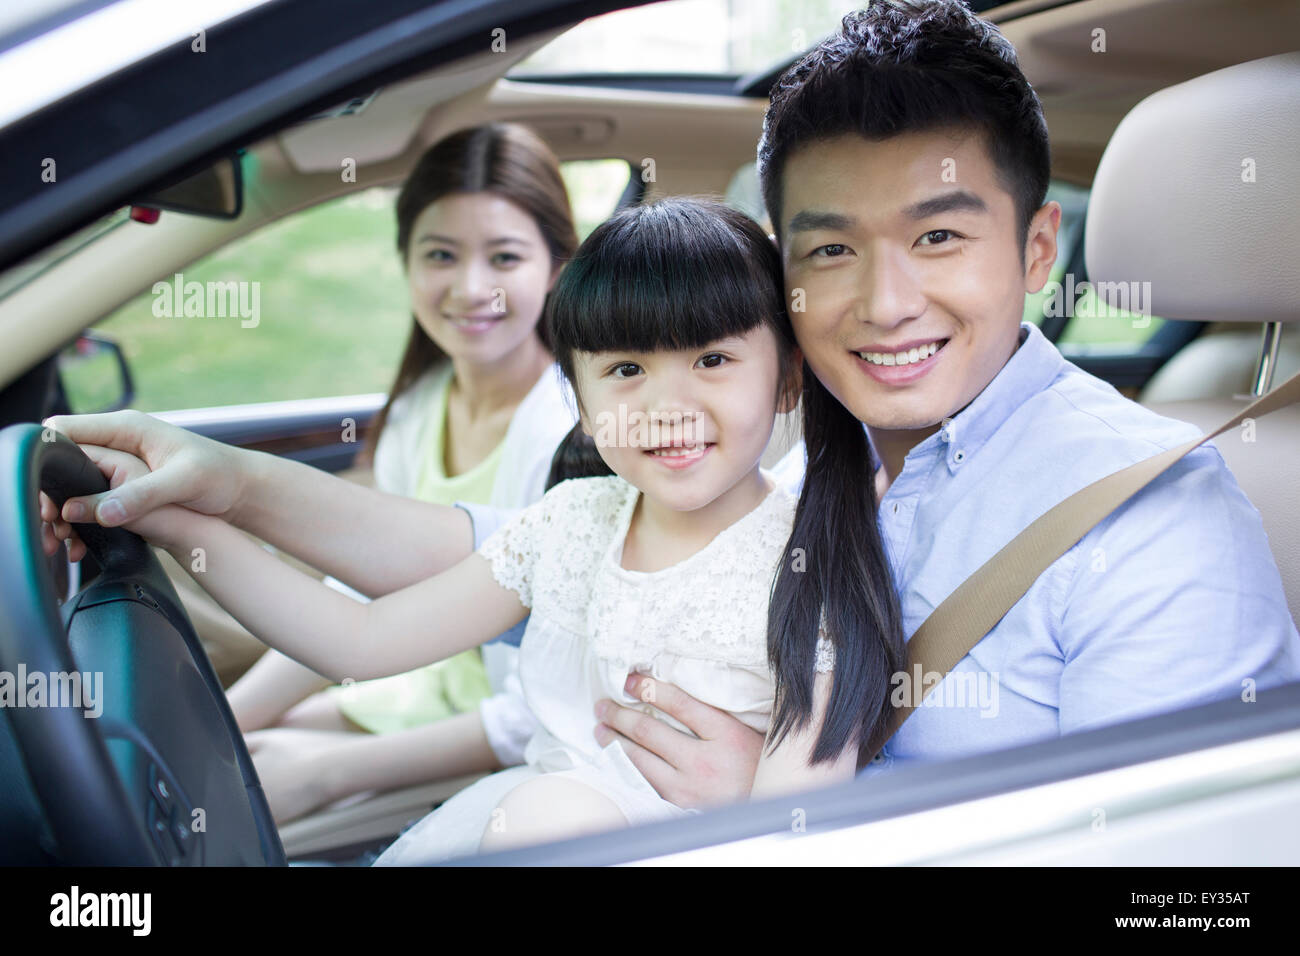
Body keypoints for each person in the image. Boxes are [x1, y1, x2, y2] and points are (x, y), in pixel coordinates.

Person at [44, 0, 1300, 826]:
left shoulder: (1150, 522)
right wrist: (217, 484)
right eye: (829, 249)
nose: (884, 299)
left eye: (936, 235)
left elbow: (1169, 878)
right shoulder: (776, 424)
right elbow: (475, 553)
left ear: (1035, 251)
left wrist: (765, 818)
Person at [44, 197, 899, 862]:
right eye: (627, 370)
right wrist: (166, 516)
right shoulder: (572, 525)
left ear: (787, 379)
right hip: (520, 817)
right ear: (578, 395)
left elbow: (797, 837)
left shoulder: (811, 560)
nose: (667, 407)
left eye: (712, 361)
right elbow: (359, 638)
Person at [215, 121, 581, 824]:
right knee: (210, 758)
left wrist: (325, 775)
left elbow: (546, 705)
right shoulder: (419, 407)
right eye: (441, 255)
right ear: (407, 262)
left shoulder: (576, 434)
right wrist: (229, 717)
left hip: (498, 745)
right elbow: (355, 587)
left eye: (504, 258)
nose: (471, 288)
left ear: (556, 267)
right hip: (397, 690)